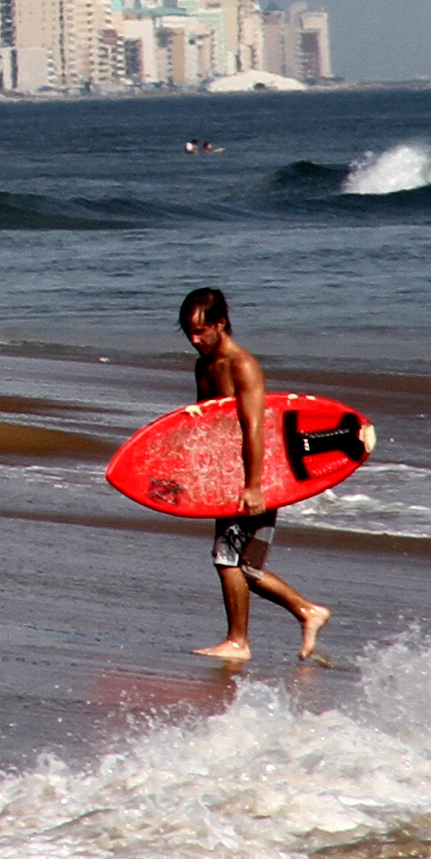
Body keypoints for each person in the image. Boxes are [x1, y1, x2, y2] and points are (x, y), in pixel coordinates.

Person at [180, 285, 331, 666]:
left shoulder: (241, 365)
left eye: (201, 331)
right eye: (188, 332)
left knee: (227, 559)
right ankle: (307, 611)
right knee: (245, 566)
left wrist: (254, 486)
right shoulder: (204, 365)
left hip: (254, 473)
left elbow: (254, 429)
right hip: (225, 472)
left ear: (221, 323)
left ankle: (238, 641)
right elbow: (211, 422)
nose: (195, 340)